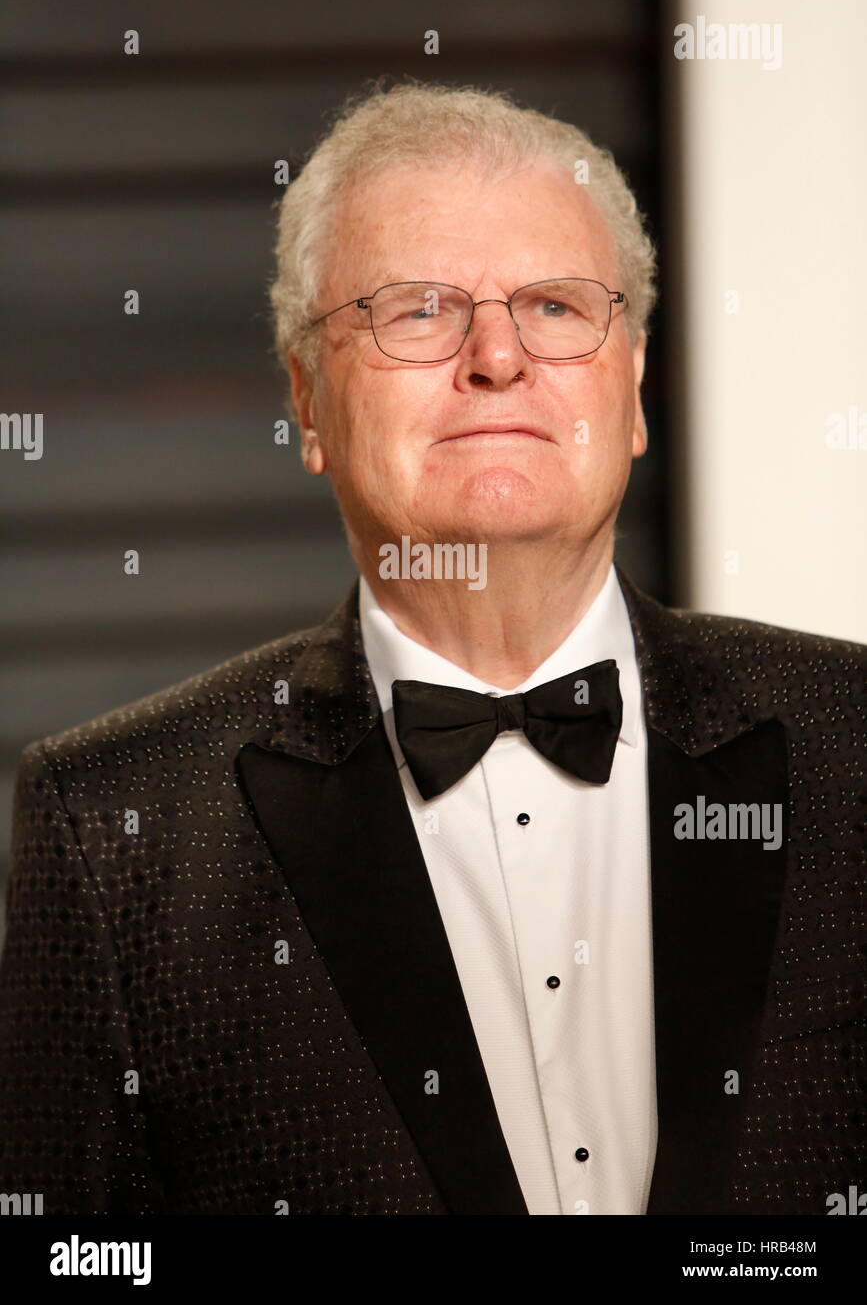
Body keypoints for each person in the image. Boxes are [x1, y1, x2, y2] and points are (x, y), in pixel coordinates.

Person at [0, 82, 863, 1216]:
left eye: (555, 306)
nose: (497, 357)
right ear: (307, 399)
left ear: (636, 388)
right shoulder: (117, 830)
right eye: (418, 309)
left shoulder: (854, 743)